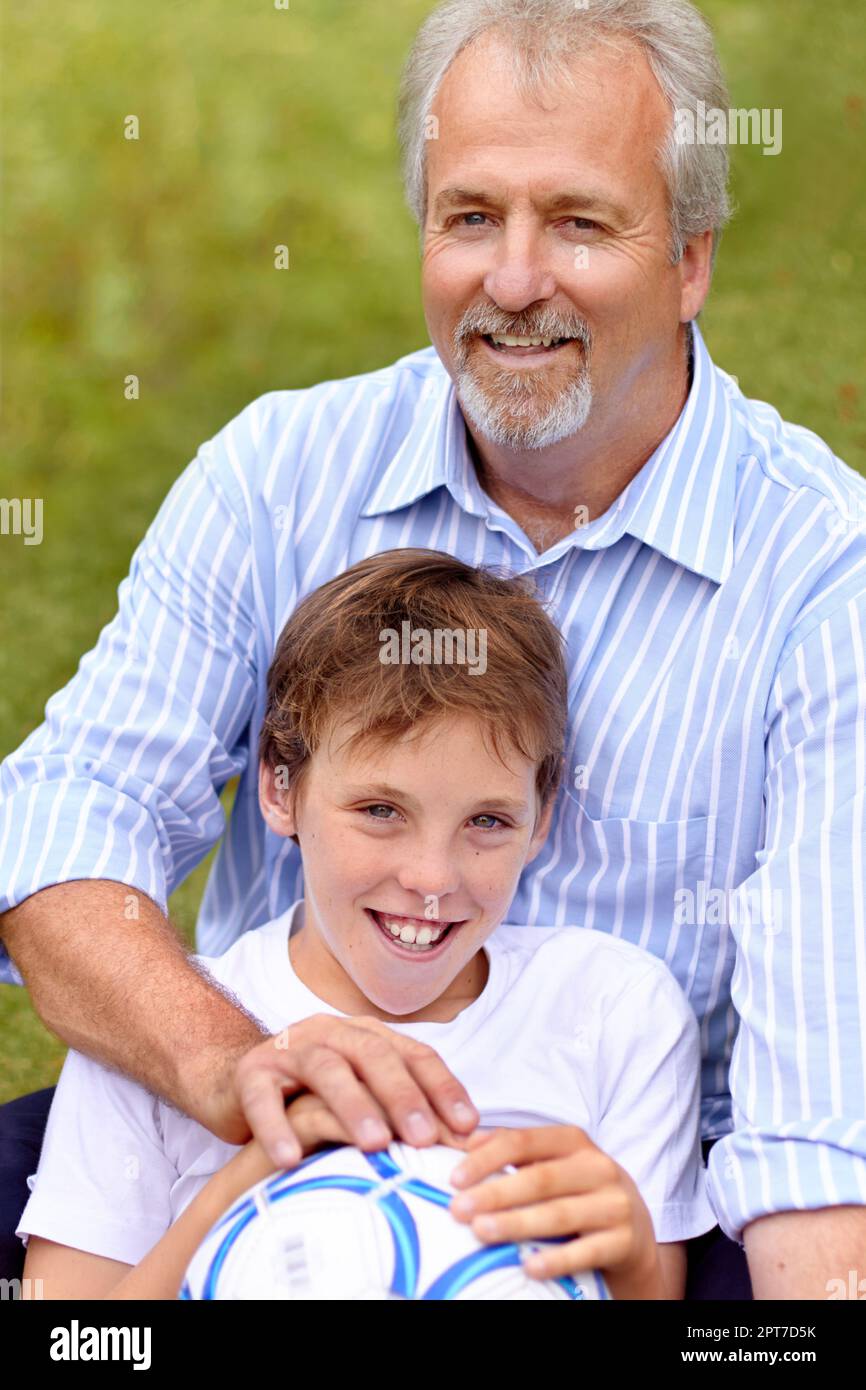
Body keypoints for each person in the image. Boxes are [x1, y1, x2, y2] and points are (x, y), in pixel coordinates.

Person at [2, 0, 865, 1301]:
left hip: (626, 1207)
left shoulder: (823, 578)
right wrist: (235, 1062)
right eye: (470, 216)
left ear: (688, 259)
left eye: (578, 220)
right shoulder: (279, 471)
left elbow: (816, 1142)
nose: (512, 280)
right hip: (267, 1138)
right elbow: (66, 816)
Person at [17, 552, 715, 1299]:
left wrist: (636, 1260)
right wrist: (249, 1180)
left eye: (487, 820)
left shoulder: (616, 1010)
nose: (431, 879)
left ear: (542, 820)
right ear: (281, 788)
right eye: (381, 811)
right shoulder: (152, 1033)